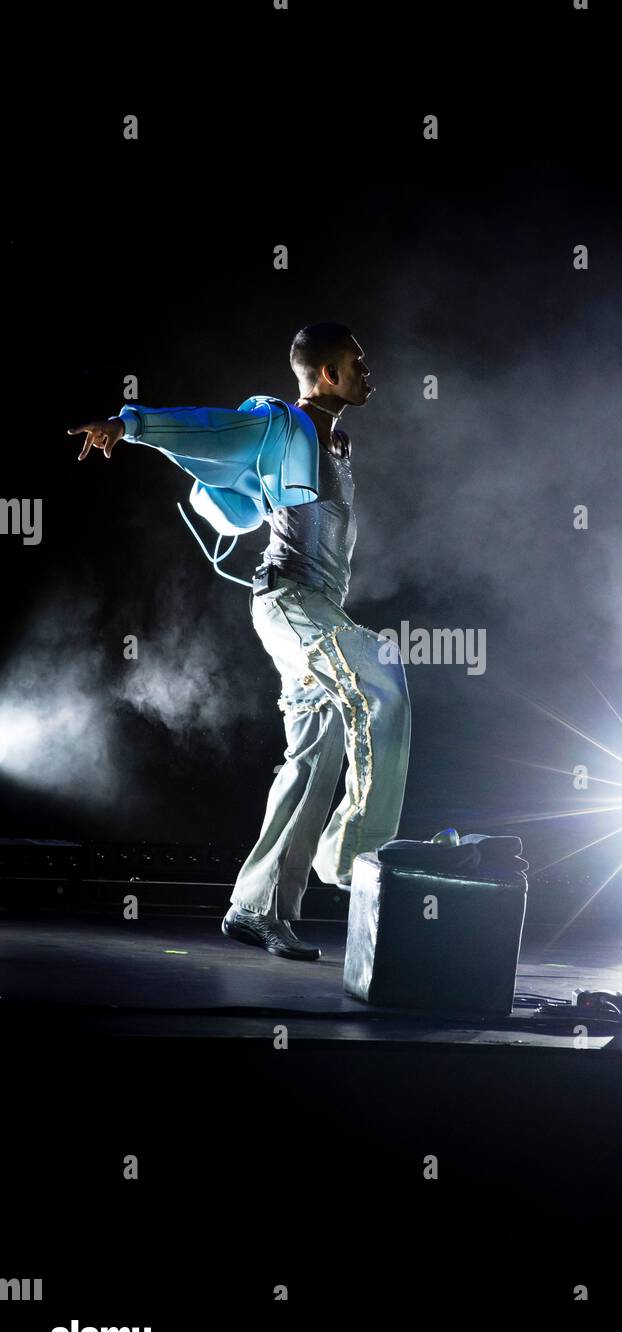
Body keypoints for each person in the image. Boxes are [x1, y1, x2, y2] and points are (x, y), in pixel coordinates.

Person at [68, 323, 412, 962]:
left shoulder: (335, 441)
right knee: (382, 679)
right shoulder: (283, 425)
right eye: (358, 364)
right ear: (327, 374)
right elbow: (211, 427)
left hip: (313, 607)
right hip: (287, 602)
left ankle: (256, 909)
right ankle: (351, 853)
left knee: (316, 752)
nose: (371, 374)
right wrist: (130, 425)